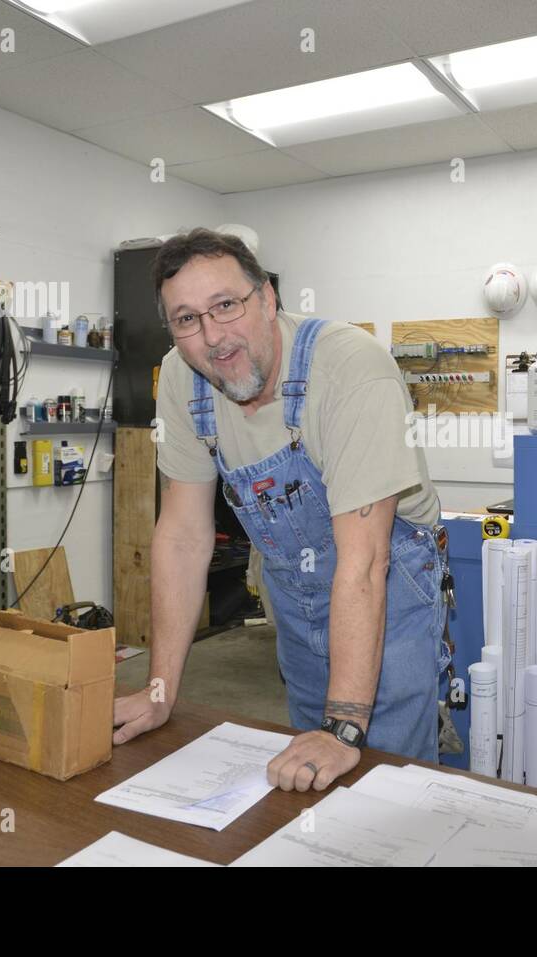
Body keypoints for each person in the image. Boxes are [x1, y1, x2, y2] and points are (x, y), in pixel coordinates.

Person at [112, 228, 449, 792]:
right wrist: (158, 689)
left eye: (226, 305)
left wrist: (343, 728)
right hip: (294, 597)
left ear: (267, 298)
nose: (213, 337)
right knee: (306, 778)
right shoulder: (180, 378)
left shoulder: (348, 370)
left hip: (388, 593)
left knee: (388, 785)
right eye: (187, 319)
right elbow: (183, 536)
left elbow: (364, 562)